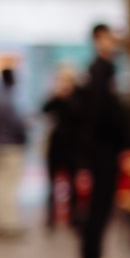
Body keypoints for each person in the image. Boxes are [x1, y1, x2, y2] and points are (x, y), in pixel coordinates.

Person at [74, 23, 130, 258]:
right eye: (108, 37)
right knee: (99, 205)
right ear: (99, 39)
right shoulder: (99, 71)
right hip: (102, 152)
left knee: (102, 205)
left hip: (104, 150)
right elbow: (99, 116)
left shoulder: (105, 70)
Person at [0, 68, 29, 237]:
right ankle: (9, 223)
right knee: (9, 186)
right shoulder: (11, 98)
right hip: (11, 146)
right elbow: (18, 124)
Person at [41, 66, 81, 230]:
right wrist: (56, 95)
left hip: (71, 147)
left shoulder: (77, 99)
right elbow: (44, 109)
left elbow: (80, 116)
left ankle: (73, 217)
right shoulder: (56, 99)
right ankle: (50, 217)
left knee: (72, 183)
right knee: (51, 184)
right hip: (56, 147)